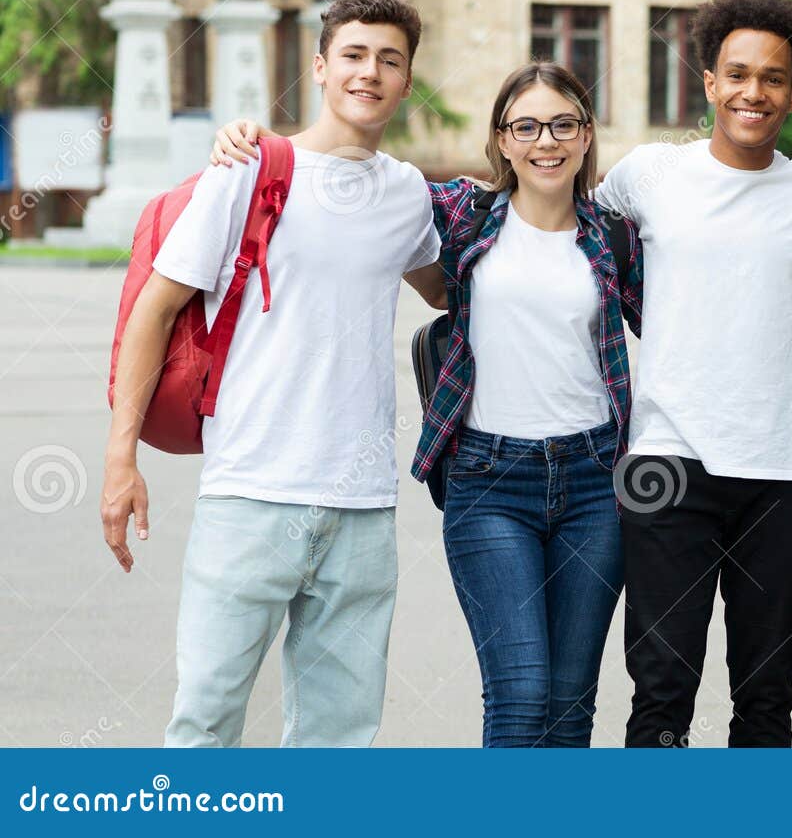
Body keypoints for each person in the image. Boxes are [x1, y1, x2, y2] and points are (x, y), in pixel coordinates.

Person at [209, 62, 644, 748]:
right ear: (502, 140)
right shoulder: (461, 215)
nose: (545, 141)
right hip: (489, 482)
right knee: (522, 690)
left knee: (569, 702)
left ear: (586, 135)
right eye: (525, 126)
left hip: (596, 484)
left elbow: (685, 321)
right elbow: (354, 165)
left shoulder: (616, 237)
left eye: (563, 124)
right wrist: (263, 141)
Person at [100, 0, 445, 747]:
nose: (370, 72)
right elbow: (155, 310)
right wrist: (120, 455)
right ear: (320, 67)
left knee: (339, 738)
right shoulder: (247, 169)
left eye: (389, 60)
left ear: (406, 80)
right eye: (353, 55)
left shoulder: (406, 194)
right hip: (249, 492)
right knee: (205, 722)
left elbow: (456, 287)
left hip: (361, 505)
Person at [593, 0, 792, 747]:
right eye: (736, 74)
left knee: (767, 694)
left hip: (783, 472)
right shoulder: (650, 175)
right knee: (661, 686)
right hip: (666, 461)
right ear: (709, 82)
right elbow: (560, 219)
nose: (751, 92)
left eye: (771, 78)